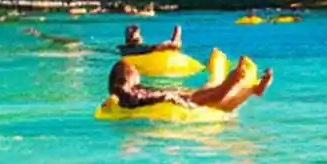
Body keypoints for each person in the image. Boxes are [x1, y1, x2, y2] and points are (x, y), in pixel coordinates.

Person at [106, 55, 273, 112]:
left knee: (202, 93)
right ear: (127, 77)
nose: (138, 74)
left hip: (166, 96)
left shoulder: (132, 90)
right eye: (134, 72)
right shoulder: (122, 91)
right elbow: (118, 97)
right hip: (169, 100)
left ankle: (250, 89)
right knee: (205, 96)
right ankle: (230, 84)